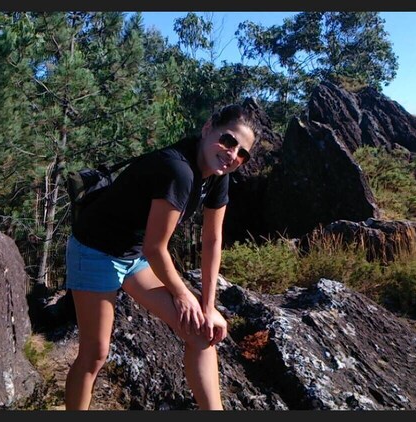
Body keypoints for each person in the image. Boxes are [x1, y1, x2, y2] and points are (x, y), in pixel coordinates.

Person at [62, 99, 265, 410]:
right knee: (95, 353)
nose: (232, 154)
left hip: (133, 256)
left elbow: (212, 240)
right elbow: (155, 248)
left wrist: (208, 307)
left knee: (202, 332)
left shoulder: (218, 175)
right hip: (96, 249)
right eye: (228, 139)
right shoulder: (179, 171)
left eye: (242, 153)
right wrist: (183, 294)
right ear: (208, 128)